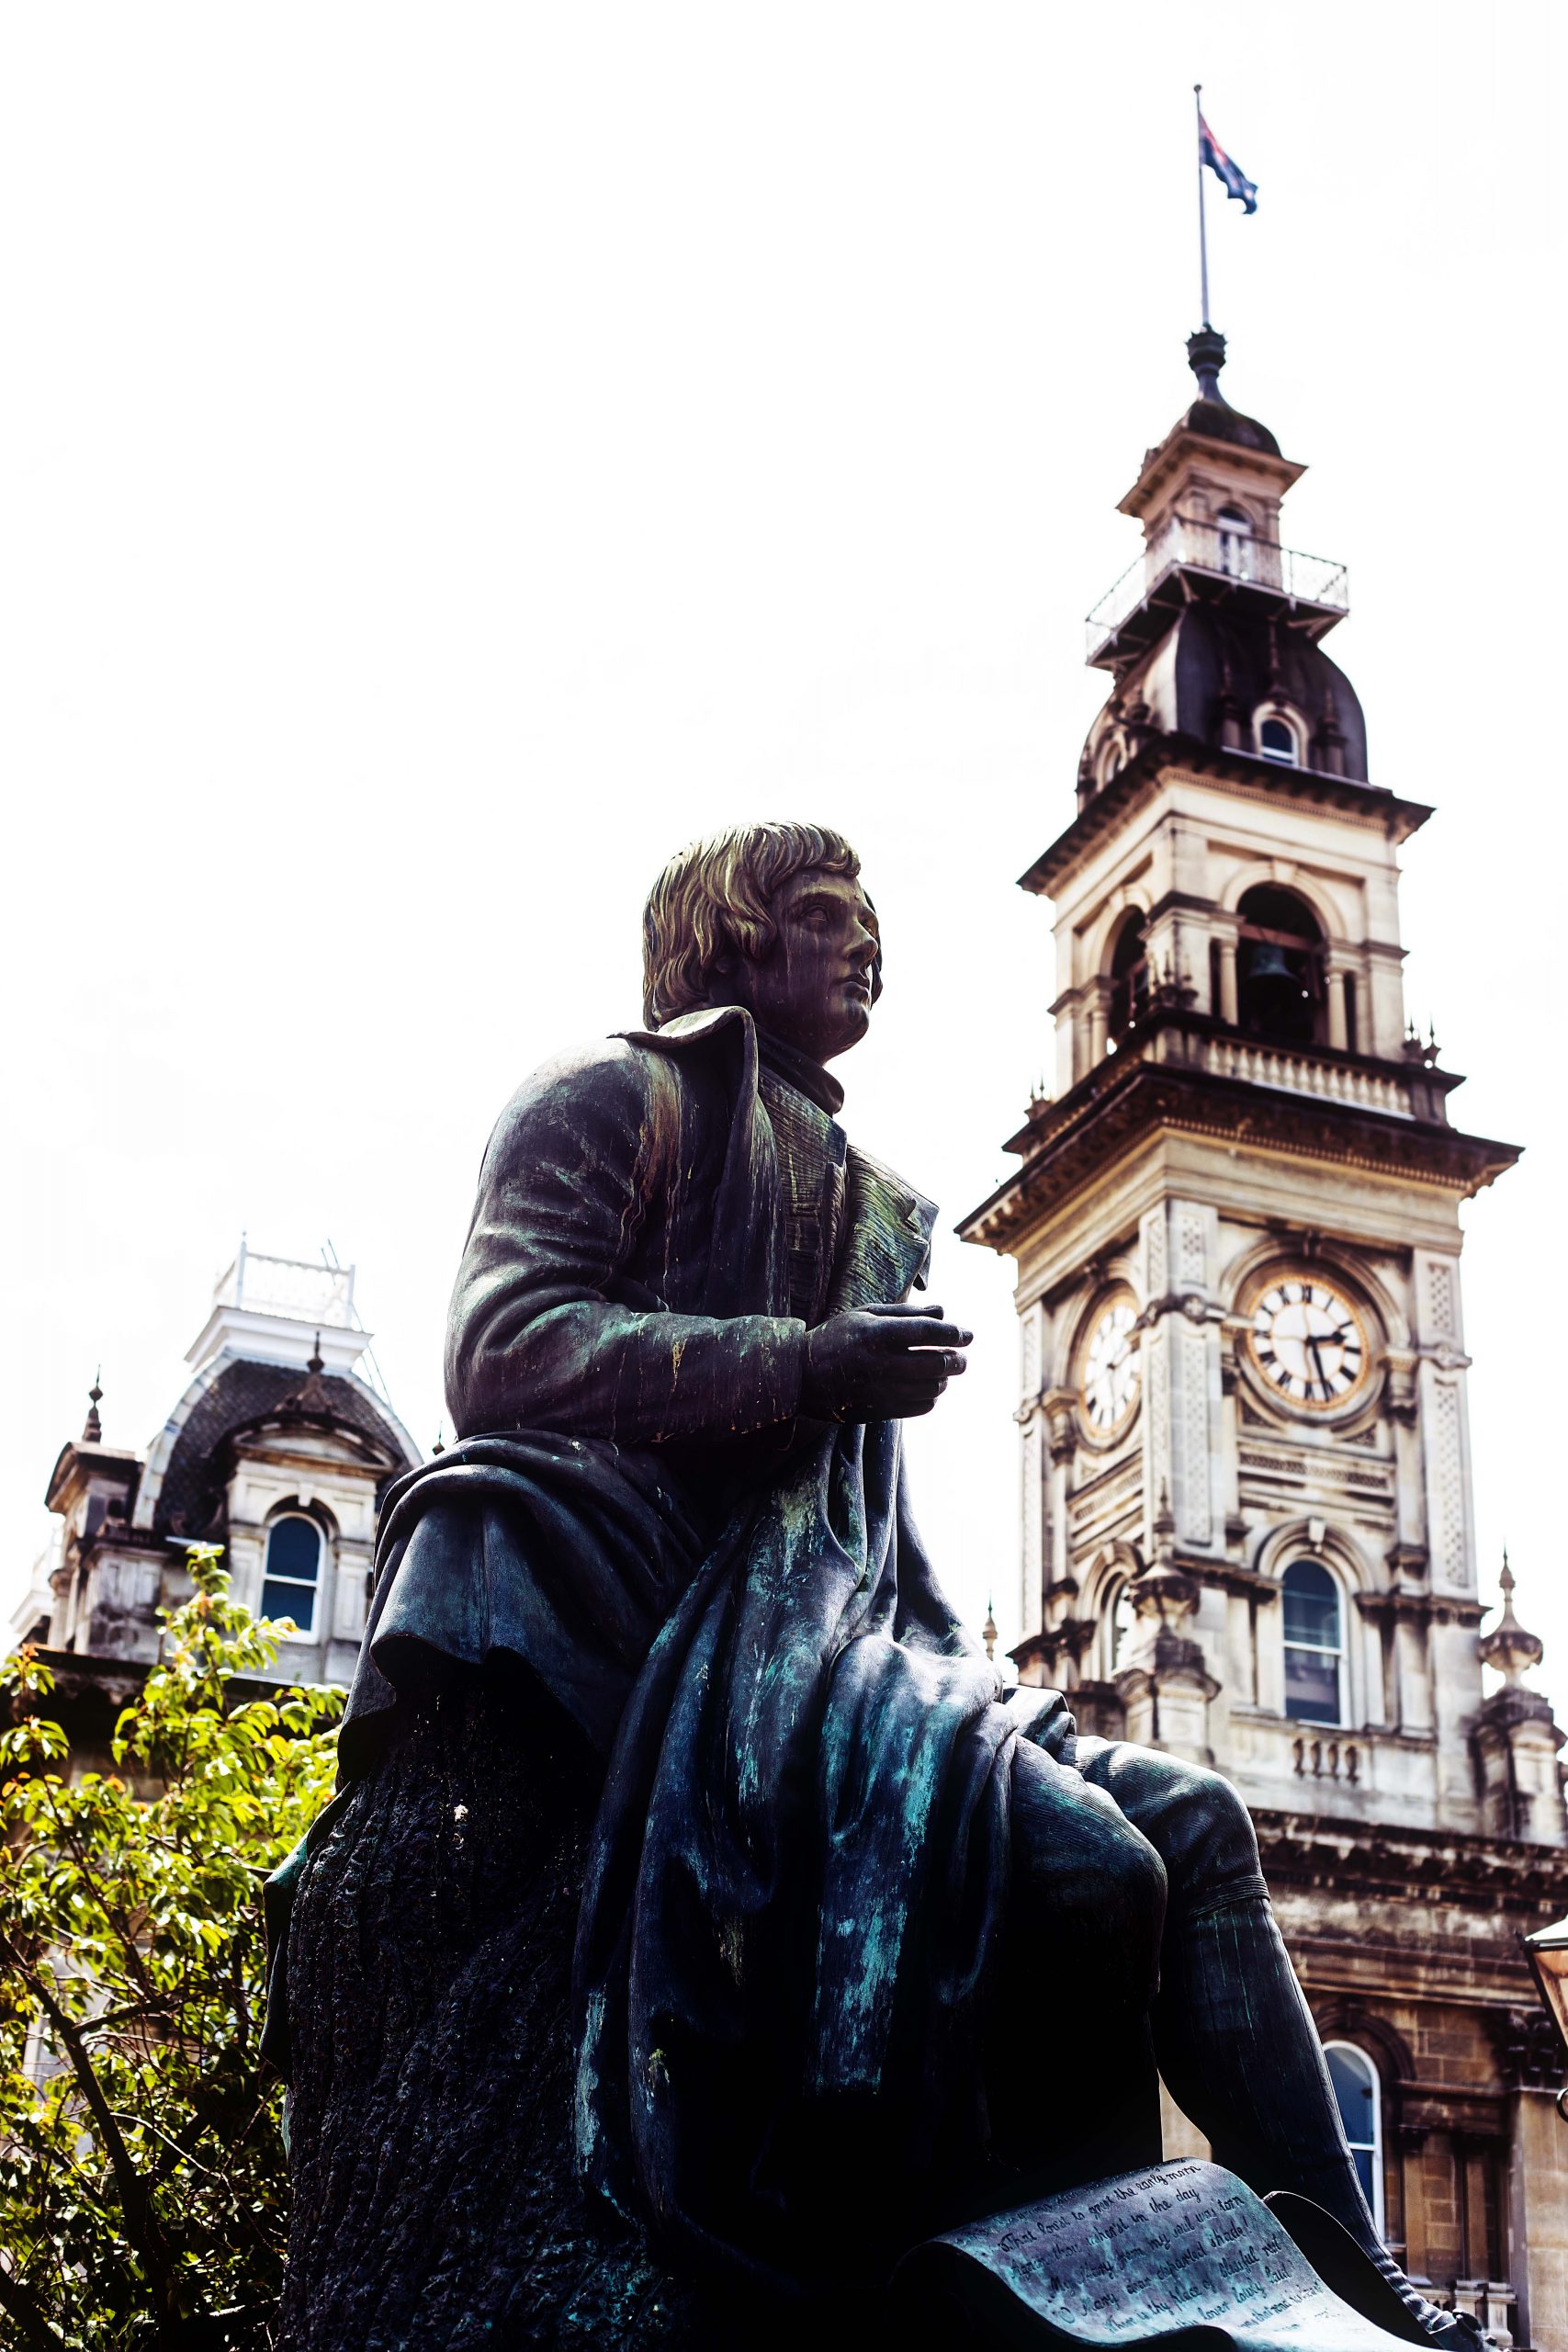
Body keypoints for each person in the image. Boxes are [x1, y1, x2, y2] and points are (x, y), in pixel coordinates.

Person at [272, 821, 1478, 2348]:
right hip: (677, 1618)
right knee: (1092, 1874)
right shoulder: (609, 1097)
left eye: (872, 918)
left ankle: (1358, 2291)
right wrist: (804, 1363)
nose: (871, 944)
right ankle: (1026, 2297)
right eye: (834, 914)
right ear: (730, 940)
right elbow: (501, 1349)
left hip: (843, 1638)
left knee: (1199, 1820)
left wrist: (972, 1692)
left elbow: (858, 1526)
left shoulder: (869, 1194)